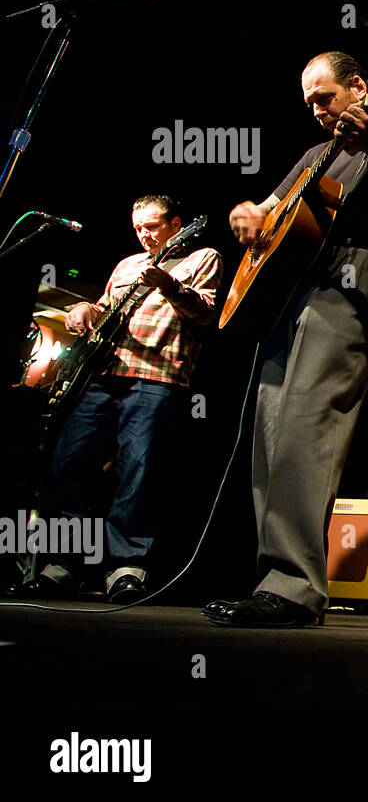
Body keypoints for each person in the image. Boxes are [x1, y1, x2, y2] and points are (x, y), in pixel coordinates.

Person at [205, 51, 368, 627]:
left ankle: (297, 589)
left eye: (325, 97)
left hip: (357, 274)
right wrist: (246, 212)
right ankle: (278, 580)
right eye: (309, 104)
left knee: (307, 423)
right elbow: (267, 211)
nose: (318, 110)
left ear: (359, 86)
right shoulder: (310, 157)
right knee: (271, 432)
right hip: (297, 283)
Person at [12, 194, 222, 602]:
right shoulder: (127, 264)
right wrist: (84, 311)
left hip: (157, 378)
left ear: (177, 223)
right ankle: (64, 564)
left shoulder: (202, 256)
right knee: (68, 462)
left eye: (153, 226)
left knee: (138, 471)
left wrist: (169, 285)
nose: (145, 235)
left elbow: (206, 313)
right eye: (138, 228)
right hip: (103, 373)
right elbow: (106, 309)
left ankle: (127, 566)